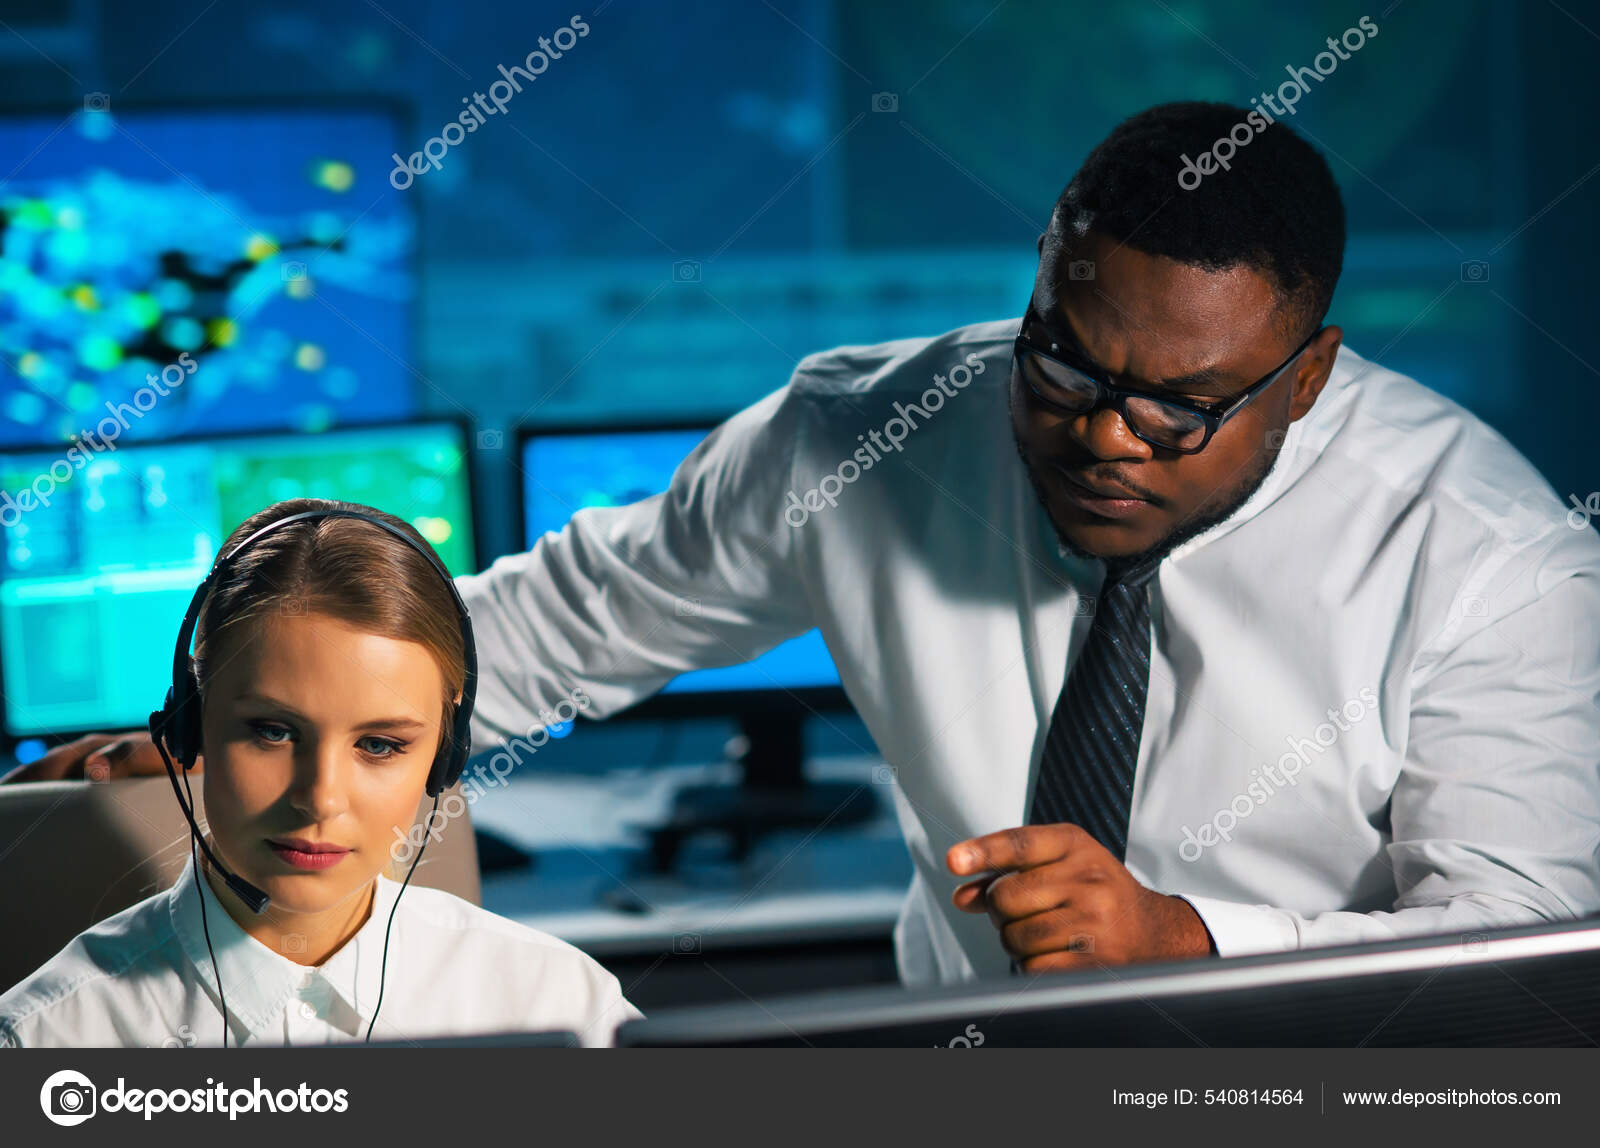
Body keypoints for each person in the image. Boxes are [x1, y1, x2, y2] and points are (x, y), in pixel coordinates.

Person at [14, 103, 1600, 986]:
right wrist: (232, 732)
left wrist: (1188, 939)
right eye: (1066, 363)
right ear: (1037, 286)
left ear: (1306, 377)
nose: (1108, 436)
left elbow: (1530, 947)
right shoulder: (864, 438)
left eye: (1181, 408)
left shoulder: (1488, 561)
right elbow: (556, 629)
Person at [0, 499, 640, 1046]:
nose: (320, 800)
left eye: (380, 745)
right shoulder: (45, 1039)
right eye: (272, 732)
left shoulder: (564, 1007)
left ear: (444, 756)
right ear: (191, 728)